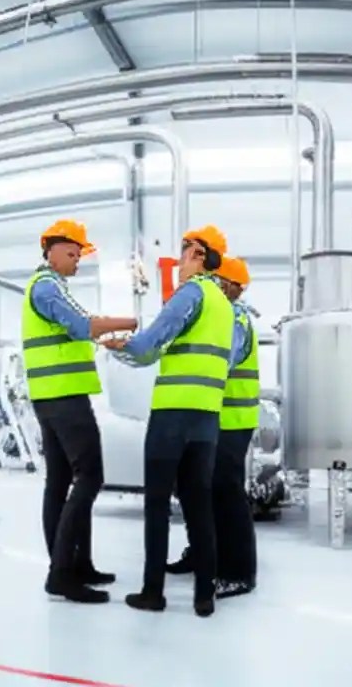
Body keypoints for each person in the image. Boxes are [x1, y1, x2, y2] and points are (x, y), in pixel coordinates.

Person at [104, 225, 237, 618]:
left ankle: (152, 592)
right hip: (207, 418)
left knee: (158, 503)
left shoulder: (190, 294)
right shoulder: (225, 307)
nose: (178, 263)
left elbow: (148, 345)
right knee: (199, 506)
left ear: (197, 253)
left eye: (182, 254)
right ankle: (204, 597)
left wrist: (118, 347)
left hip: (172, 416)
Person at [23, 219, 138, 604]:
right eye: (72, 254)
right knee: (89, 476)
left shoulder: (50, 287)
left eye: (79, 255)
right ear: (51, 250)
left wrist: (109, 338)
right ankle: (61, 573)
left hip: (51, 395)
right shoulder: (47, 286)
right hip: (64, 397)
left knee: (60, 481)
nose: (76, 261)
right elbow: (79, 325)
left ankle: (78, 565)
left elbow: (76, 331)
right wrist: (137, 322)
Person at [167, 256, 258, 599]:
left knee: (225, 490)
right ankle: (201, 552)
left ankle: (238, 572)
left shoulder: (235, 319)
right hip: (207, 417)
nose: (214, 289)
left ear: (235, 288)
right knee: (194, 488)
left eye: (221, 283)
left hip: (232, 421)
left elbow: (222, 359)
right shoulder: (218, 314)